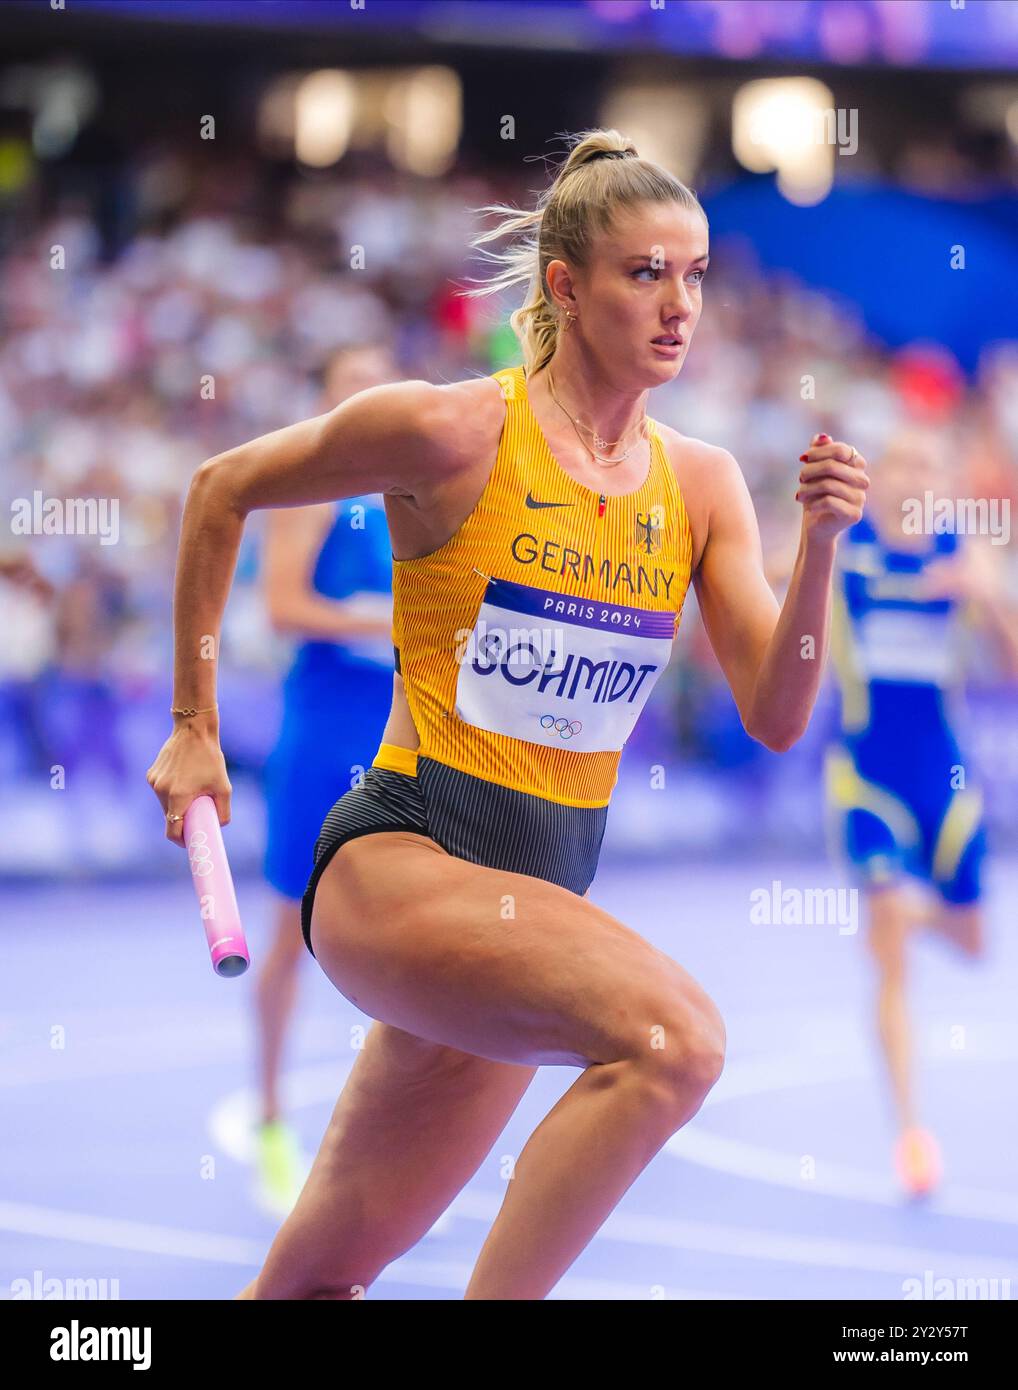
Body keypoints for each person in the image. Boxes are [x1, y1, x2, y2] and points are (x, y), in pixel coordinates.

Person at [146, 128, 868, 1301]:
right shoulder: (453, 430)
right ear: (565, 288)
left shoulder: (699, 486)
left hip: (525, 905)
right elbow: (220, 487)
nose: (679, 304)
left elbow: (778, 715)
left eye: (695, 274)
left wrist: (820, 551)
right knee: (672, 1040)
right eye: (646, 274)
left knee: (313, 1285)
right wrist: (193, 722)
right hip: (404, 865)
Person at [824, 423, 1018, 1197]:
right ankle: (911, 1134)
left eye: (927, 461)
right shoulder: (846, 548)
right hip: (866, 774)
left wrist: (990, 600)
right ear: (880, 474)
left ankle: (918, 913)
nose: (913, 474)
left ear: (945, 480)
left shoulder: (967, 557)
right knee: (887, 947)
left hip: (945, 775)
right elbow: (757, 569)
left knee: (974, 943)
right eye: (901, 460)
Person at [254, 343, 398, 1213]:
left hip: (402, 731)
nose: (368, 402)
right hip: (323, 726)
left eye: (381, 388)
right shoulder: (310, 491)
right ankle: (271, 1115)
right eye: (351, 388)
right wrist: (378, 620)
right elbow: (280, 606)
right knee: (289, 929)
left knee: (403, 934)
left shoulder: (415, 494)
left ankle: (386, 1135)